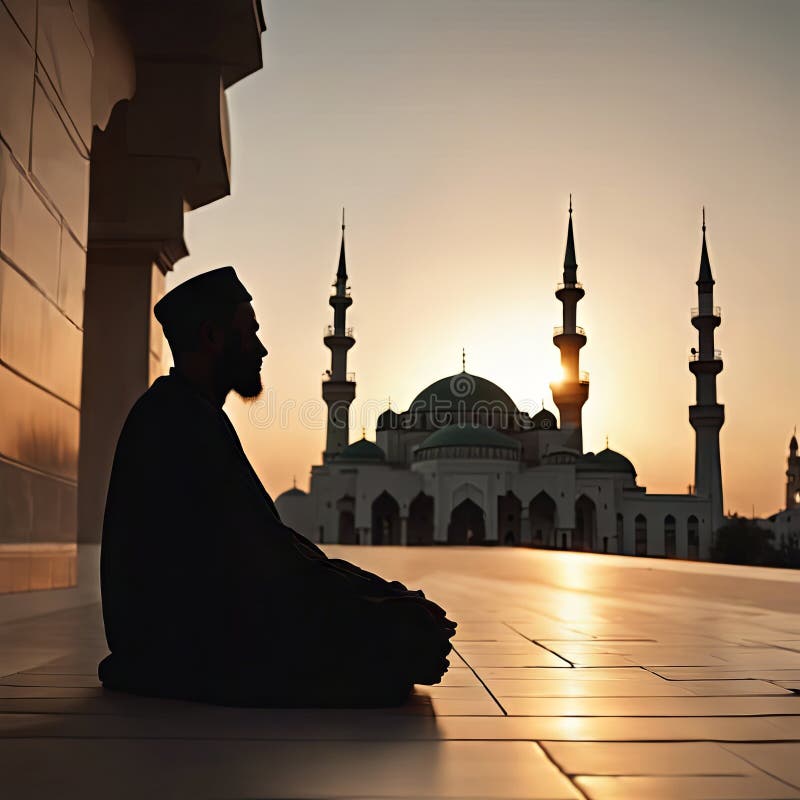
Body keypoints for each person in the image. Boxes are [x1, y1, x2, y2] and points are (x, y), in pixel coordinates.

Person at [99, 266, 456, 707]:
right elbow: (261, 560)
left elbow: (269, 545)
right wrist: (371, 602)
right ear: (212, 337)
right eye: (249, 333)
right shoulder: (177, 421)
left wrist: (376, 590)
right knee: (397, 637)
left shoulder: (189, 413)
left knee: (390, 622)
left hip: (196, 621)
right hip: (177, 638)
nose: (262, 349)